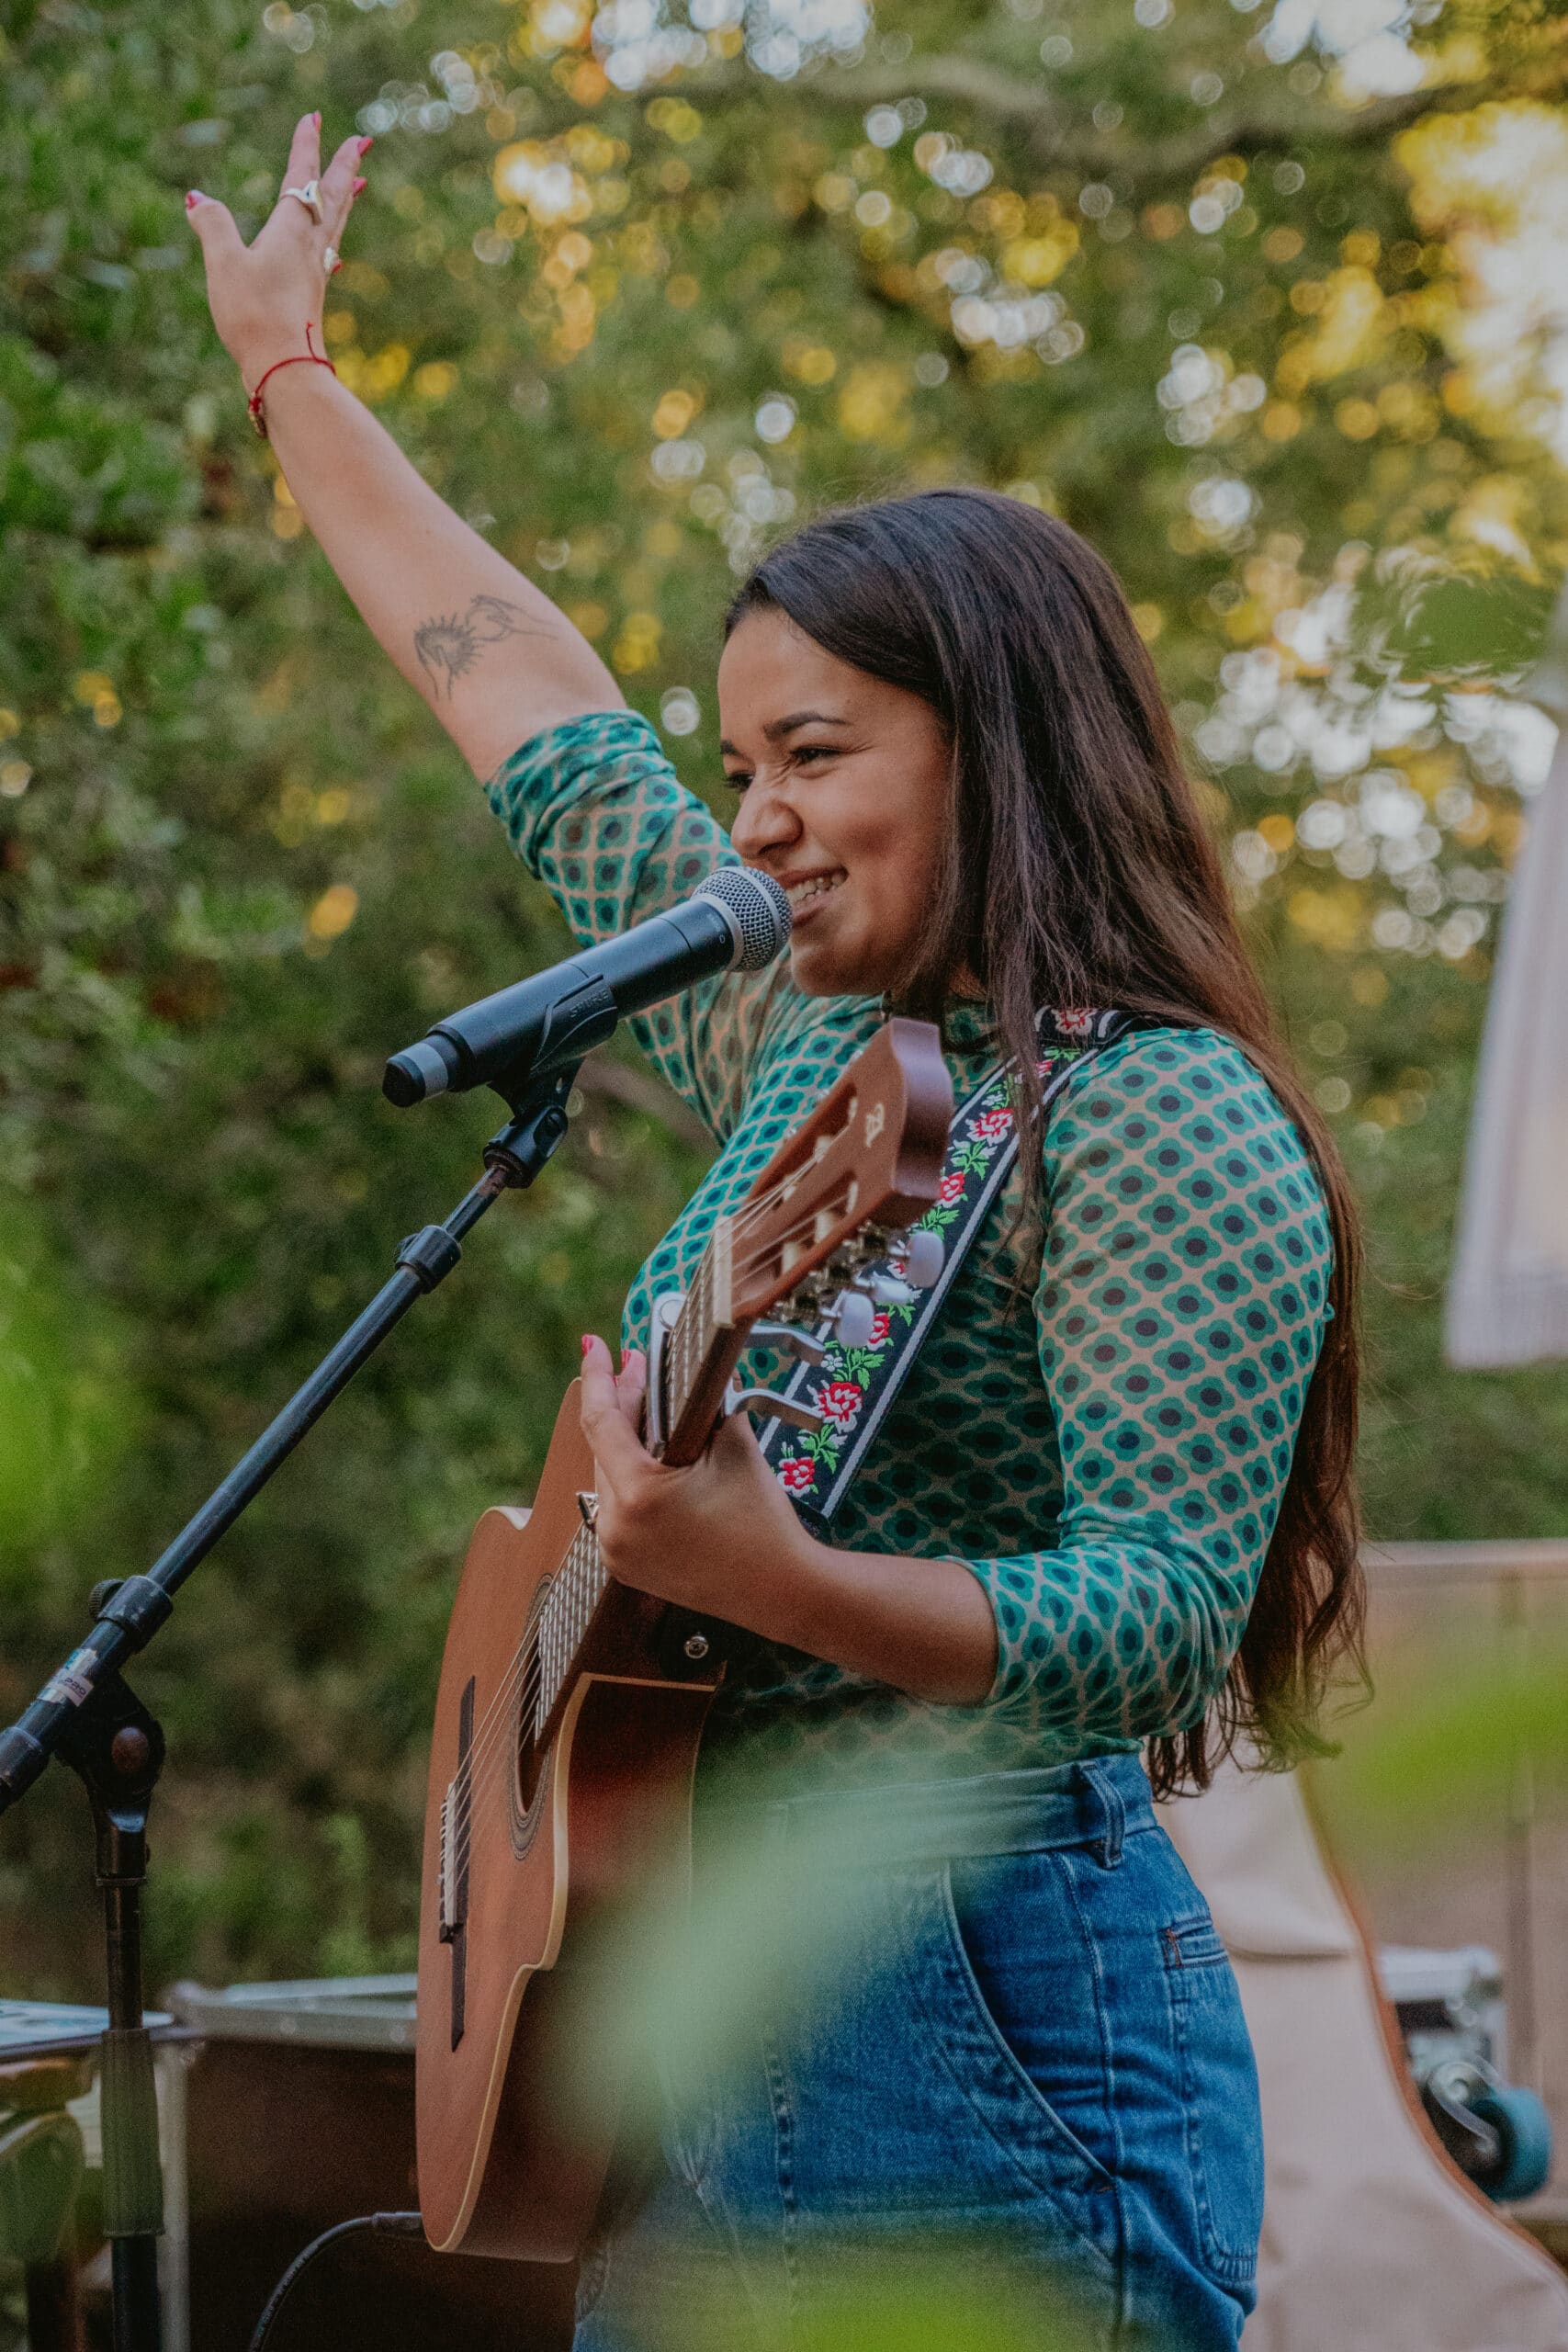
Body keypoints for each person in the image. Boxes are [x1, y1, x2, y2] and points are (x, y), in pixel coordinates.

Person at [189, 118, 1365, 2352]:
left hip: (971, 2022)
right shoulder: (784, 1038)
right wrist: (291, 377)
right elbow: (521, 707)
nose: (749, 819)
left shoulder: (1163, 1111)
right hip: (701, 2032)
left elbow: (1156, 1613)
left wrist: (773, 1581)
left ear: (995, 748)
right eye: (736, 765)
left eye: (807, 752)